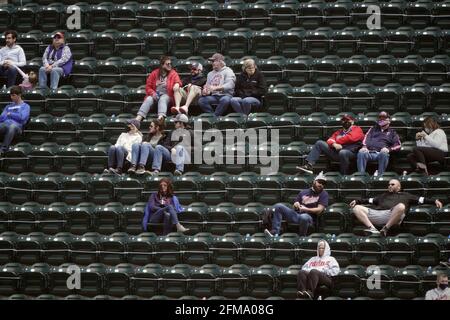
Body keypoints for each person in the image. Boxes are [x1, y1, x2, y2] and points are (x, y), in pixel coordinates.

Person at [350, 179, 443, 236]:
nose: (389, 186)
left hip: (393, 215)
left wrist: (434, 201)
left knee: (401, 206)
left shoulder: (406, 195)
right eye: (389, 184)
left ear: (398, 187)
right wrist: (357, 201)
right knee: (357, 208)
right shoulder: (383, 195)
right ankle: (373, 229)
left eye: (392, 184)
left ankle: (385, 229)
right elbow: (369, 200)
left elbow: (421, 199)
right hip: (379, 214)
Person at [265, 172, 329, 237]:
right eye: (319, 182)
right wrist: (296, 204)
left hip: (310, 218)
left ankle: (302, 237)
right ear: (314, 182)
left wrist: (306, 209)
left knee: (304, 217)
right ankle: (275, 233)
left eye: (323, 184)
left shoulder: (324, 194)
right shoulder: (303, 192)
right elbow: (295, 205)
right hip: (297, 215)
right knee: (278, 206)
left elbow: (319, 210)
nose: (321, 185)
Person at [297, 114, 364, 175]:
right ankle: (309, 165)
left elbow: (351, 138)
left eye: (347, 120)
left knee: (343, 152)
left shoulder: (357, 129)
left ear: (352, 121)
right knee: (320, 143)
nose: (345, 121)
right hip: (337, 152)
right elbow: (330, 140)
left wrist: (337, 140)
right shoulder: (339, 132)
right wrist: (334, 144)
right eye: (343, 120)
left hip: (352, 153)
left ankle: (344, 175)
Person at [136, 55, 182, 121]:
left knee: (163, 98)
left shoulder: (173, 73)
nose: (170, 65)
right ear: (162, 65)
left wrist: (177, 84)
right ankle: (138, 118)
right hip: (155, 95)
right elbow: (148, 87)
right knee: (149, 98)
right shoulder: (154, 73)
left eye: (170, 64)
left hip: (168, 96)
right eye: (167, 64)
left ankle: (161, 118)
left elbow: (179, 82)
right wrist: (153, 93)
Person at [357, 111, 401, 175]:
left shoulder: (392, 132)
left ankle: (380, 175)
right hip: (369, 152)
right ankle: (361, 175)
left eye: (384, 117)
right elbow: (366, 138)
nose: (381, 119)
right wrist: (364, 146)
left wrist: (388, 149)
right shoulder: (373, 129)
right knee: (361, 152)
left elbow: (398, 145)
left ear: (389, 120)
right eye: (380, 117)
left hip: (380, 153)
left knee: (384, 153)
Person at [0, 86, 30, 156]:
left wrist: (10, 114)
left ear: (19, 95)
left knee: (12, 127)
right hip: (5, 124)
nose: (11, 97)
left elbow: (22, 118)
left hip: (17, 127)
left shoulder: (25, 106)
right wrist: (13, 115)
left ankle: (2, 150)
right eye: (11, 95)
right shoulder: (8, 106)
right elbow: (1, 118)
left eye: (13, 95)